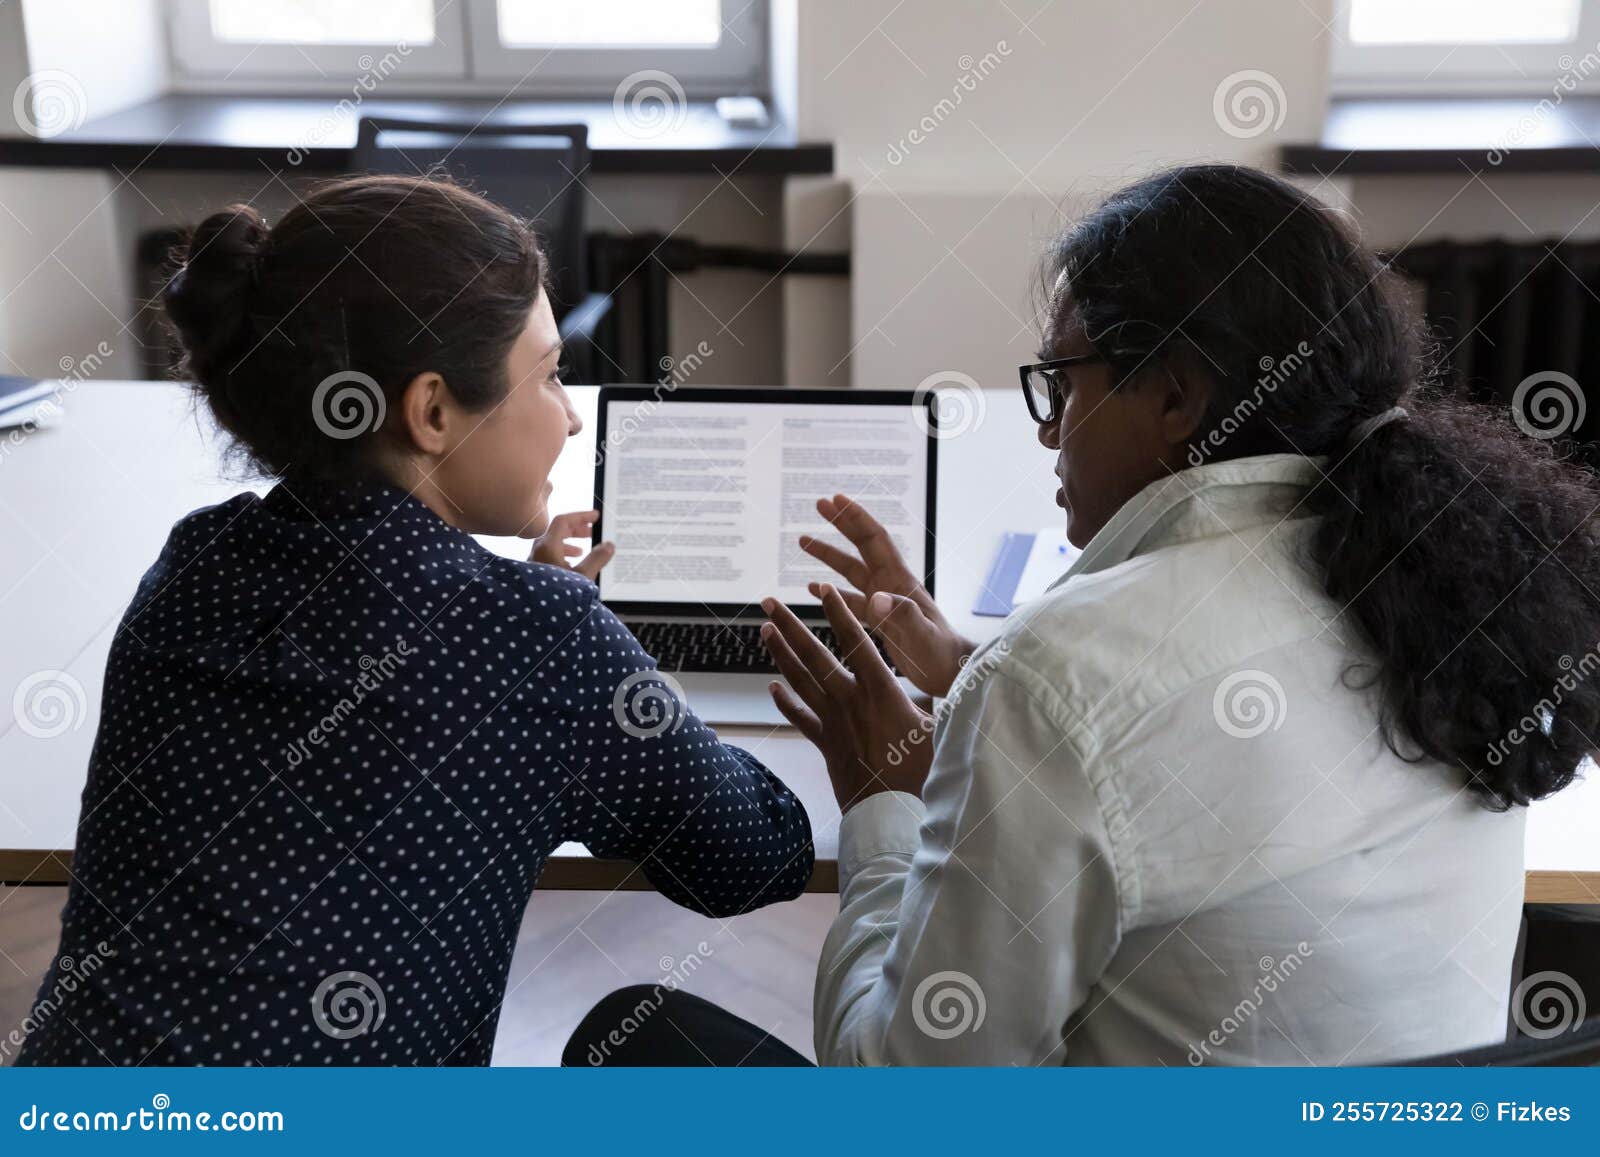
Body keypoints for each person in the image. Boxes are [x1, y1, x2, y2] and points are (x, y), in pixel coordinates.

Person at [567, 162, 1600, 1066]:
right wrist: (971, 666)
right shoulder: (1444, 583)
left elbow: (906, 1094)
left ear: (1176, 400)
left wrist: (881, 799)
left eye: (1062, 382)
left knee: (631, 1032)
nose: (1049, 430)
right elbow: (1172, 719)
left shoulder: (1061, 673)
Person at [16, 175, 813, 1067]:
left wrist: (539, 623)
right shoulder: (537, 639)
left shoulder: (191, 565)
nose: (570, 417)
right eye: (549, 376)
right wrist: (580, 652)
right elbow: (757, 856)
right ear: (432, 411)